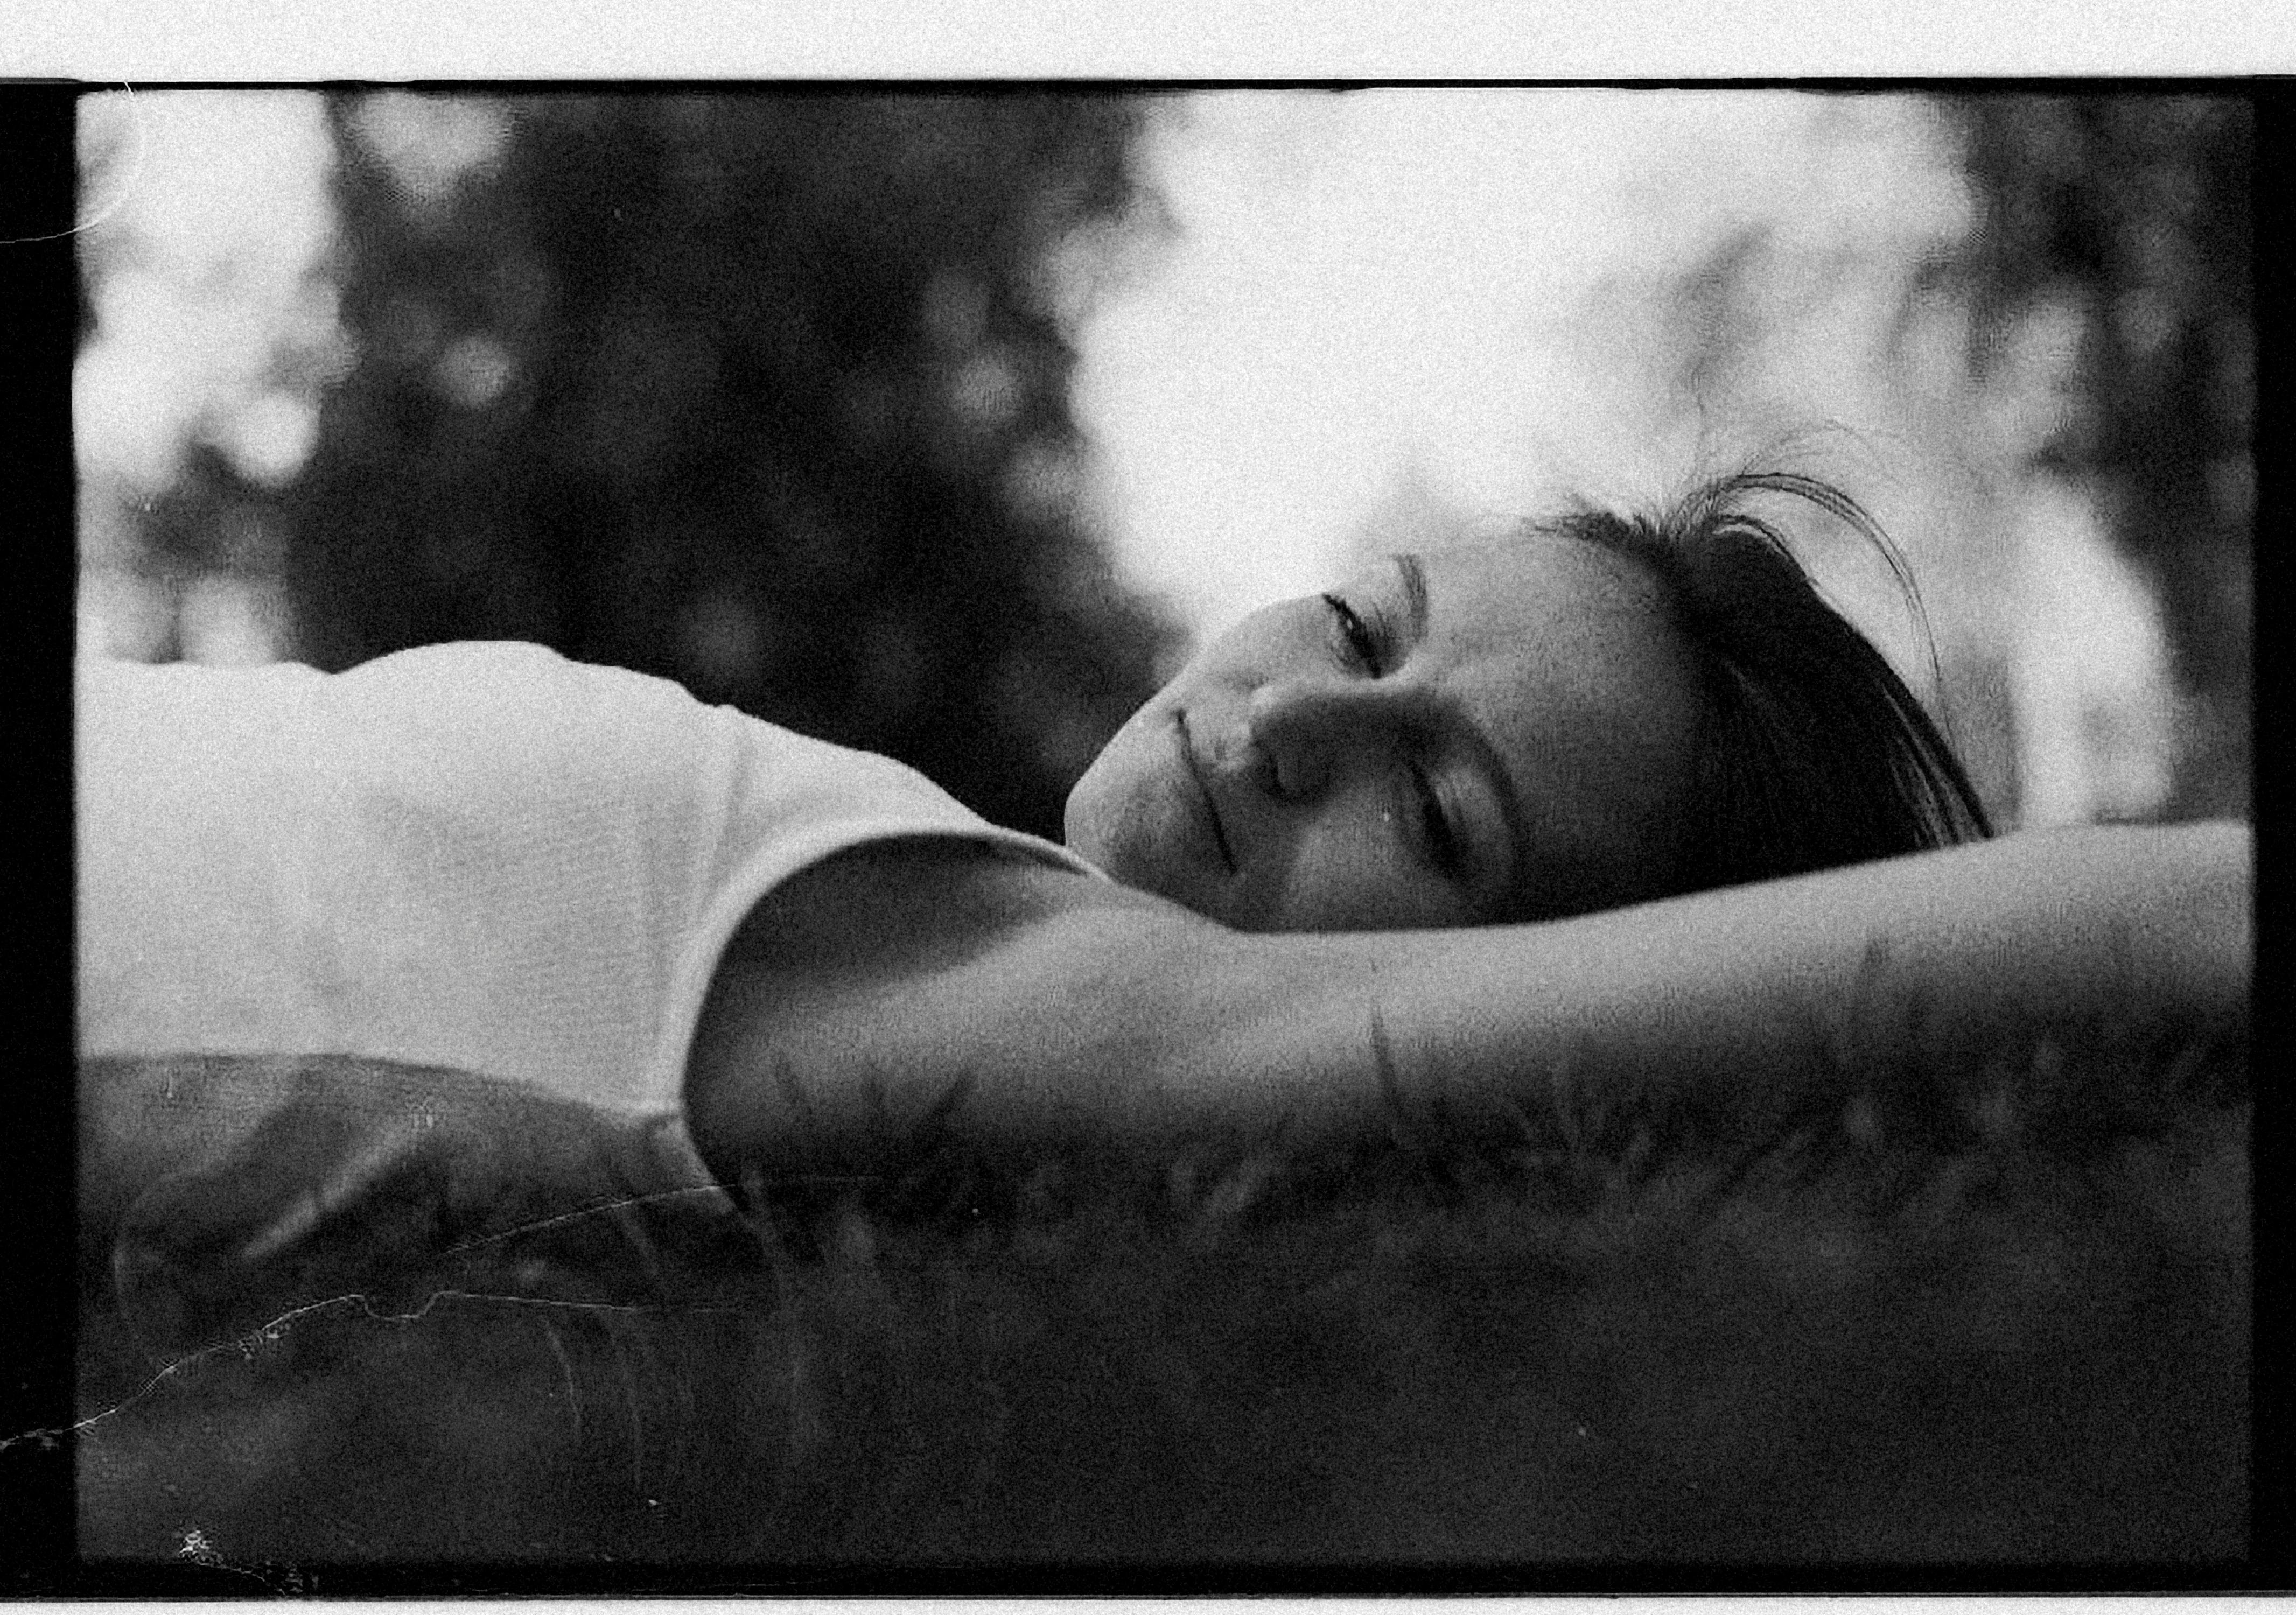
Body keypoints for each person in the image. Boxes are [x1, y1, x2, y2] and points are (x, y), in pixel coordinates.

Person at [77, 473, 2250, 1258]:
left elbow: (2180, 912)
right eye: (1366, 625)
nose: (1296, 719)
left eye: (1438, 815)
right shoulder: (913, 858)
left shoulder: (1034, 1013)